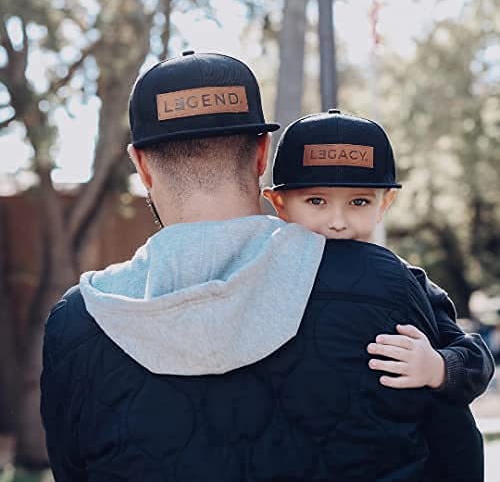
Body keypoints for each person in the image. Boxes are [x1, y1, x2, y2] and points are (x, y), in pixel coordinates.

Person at [40, 53, 491, 482]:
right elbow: (456, 457)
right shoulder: (383, 281)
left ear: (141, 165)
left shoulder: (78, 324)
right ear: (262, 155)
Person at [262, 109, 493, 480]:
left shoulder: (408, 282)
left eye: (359, 203)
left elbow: (474, 355)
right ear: (279, 204)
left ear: (384, 205)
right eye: (316, 202)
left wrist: (436, 367)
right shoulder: (260, 273)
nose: (337, 221)